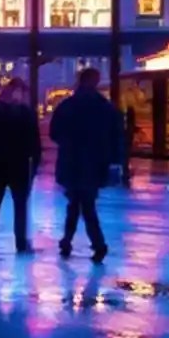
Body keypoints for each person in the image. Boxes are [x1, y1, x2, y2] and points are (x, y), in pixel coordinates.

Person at [51, 68, 122, 263]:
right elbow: (116, 136)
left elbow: (54, 133)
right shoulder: (105, 108)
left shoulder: (67, 106)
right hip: (94, 165)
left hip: (71, 163)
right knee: (87, 204)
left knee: (75, 203)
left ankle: (70, 241)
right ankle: (96, 244)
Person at [0, 79, 42, 257]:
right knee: (20, 205)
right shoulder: (26, 113)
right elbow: (34, 144)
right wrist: (34, 166)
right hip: (19, 165)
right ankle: (20, 242)